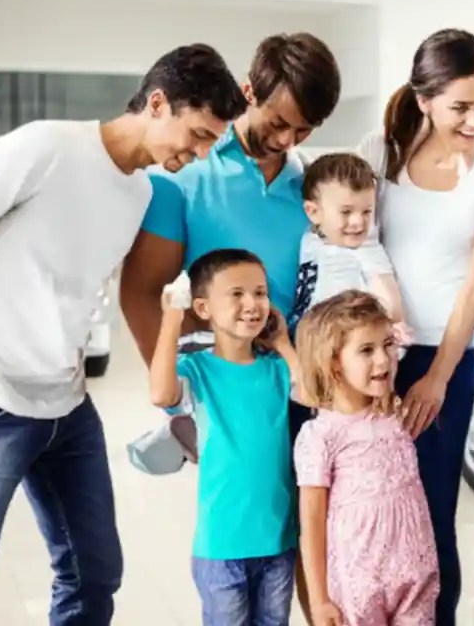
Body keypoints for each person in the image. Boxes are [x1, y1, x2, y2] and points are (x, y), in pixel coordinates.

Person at [0, 43, 247, 626]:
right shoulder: (46, 146)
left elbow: (76, 284)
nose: (201, 151)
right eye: (199, 133)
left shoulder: (139, 192)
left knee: (95, 575)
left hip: (66, 407)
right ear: (157, 102)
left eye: (213, 141)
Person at [120, 31, 342, 621]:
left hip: (299, 386)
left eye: (305, 130)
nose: (289, 140)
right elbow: (142, 291)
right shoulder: (186, 176)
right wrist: (176, 409)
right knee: (243, 549)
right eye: (279, 121)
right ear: (249, 92)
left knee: (314, 550)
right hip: (225, 395)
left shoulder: (310, 189)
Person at [357, 28, 474, 625]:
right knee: (369, 513)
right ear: (423, 98)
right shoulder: (379, 153)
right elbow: (355, 247)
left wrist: (436, 379)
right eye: (461, 106)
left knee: (430, 518)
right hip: (370, 357)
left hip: (444, 361)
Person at [149, 249, 301, 626]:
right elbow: (162, 395)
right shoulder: (196, 369)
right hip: (221, 547)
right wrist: (171, 318)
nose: (252, 304)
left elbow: (312, 396)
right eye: (237, 294)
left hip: (279, 542)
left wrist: (283, 344)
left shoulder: (278, 368)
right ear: (202, 308)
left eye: (260, 293)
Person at [293, 291, 439, 626]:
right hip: (358, 584)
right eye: (366, 350)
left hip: (415, 575)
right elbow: (311, 523)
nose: (384, 360)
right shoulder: (321, 436)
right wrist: (319, 601)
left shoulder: (397, 413)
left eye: (388, 344)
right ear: (332, 362)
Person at [292, 152, 411, 342]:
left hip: (352, 346)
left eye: (366, 212)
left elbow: (389, 299)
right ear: (313, 212)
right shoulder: (310, 240)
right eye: (346, 212)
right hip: (314, 346)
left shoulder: (366, 249)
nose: (358, 222)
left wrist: (391, 324)